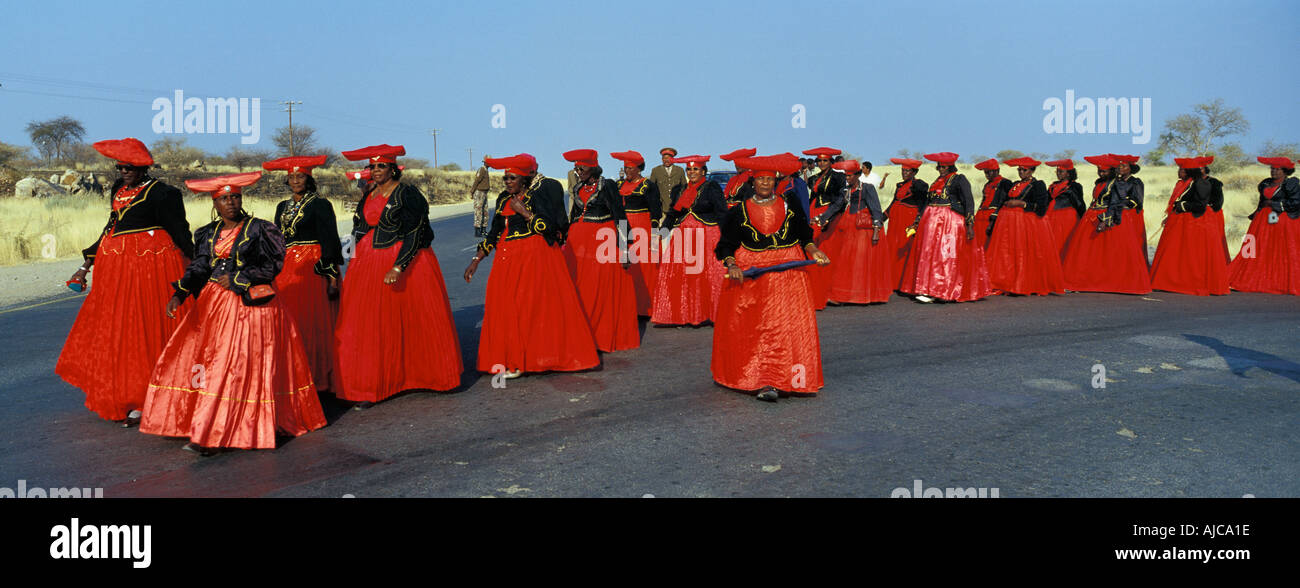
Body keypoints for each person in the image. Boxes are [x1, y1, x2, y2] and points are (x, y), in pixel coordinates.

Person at [141, 172, 326, 454]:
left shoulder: (261, 229)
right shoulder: (206, 233)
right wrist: (180, 293)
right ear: (215, 203)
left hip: (253, 308)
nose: (231, 202)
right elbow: (200, 267)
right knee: (214, 364)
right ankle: (213, 426)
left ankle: (223, 430)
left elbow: (274, 264)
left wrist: (240, 277)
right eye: (224, 198)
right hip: (216, 305)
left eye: (235, 197)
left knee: (239, 366)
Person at [56, 138, 194, 426]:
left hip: (155, 269)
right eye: (120, 167)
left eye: (129, 167)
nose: (124, 171)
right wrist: (86, 264)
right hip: (117, 271)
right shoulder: (118, 190)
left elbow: (180, 231)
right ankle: (131, 395)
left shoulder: (164, 194)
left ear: (143, 167)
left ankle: (154, 397)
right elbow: (110, 228)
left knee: (151, 329)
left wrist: (198, 266)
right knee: (125, 330)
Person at [334, 144, 463, 406]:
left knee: (414, 318)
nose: (377, 170)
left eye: (382, 166)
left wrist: (398, 266)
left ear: (393, 168)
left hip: (406, 261)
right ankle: (372, 384)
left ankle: (428, 376)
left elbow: (416, 232)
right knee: (369, 322)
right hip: (367, 262)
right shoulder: (368, 196)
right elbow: (359, 229)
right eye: (373, 166)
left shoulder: (407, 194)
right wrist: (343, 257)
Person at [464, 154, 600, 374]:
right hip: (507, 260)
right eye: (505, 178)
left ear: (523, 180)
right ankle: (514, 358)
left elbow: (547, 226)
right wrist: (476, 259)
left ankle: (533, 358)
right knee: (506, 310)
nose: (508, 182)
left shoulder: (536, 197)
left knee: (530, 309)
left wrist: (525, 213)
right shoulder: (501, 200)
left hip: (534, 257)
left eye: (512, 178)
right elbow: (494, 233)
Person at [713, 155, 829, 401]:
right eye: (761, 180)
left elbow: (803, 234)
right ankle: (763, 379)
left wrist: (815, 250)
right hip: (753, 276)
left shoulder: (790, 204)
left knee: (786, 328)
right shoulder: (738, 211)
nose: (765, 184)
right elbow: (725, 245)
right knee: (759, 330)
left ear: (775, 181)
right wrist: (732, 264)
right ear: (753, 182)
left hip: (789, 274)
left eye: (769, 179)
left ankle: (791, 378)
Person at [262, 155, 343, 394]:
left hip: (314, 267)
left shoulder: (321, 205)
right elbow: (277, 240)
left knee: (314, 323)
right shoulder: (281, 207)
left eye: (300, 176)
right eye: (292, 177)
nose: (296, 180)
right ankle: (296, 375)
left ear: (309, 179)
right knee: (291, 323)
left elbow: (330, 241)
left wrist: (331, 278)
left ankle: (321, 377)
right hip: (288, 270)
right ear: (287, 181)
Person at [561, 149, 639, 352]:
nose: (578, 171)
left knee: (597, 289)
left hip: (601, 242)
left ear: (593, 167)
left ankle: (599, 336)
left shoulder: (608, 186)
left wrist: (625, 249)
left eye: (582, 167)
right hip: (578, 243)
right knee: (578, 288)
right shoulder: (578, 186)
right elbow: (574, 215)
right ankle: (581, 334)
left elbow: (619, 215)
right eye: (576, 168)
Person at [897, 152, 991, 303]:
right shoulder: (937, 181)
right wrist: (918, 222)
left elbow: (969, 202)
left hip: (950, 224)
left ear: (951, 167)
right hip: (932, 224)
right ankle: (929, 289)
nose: (941, 169)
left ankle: (945, 290)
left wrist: (970, 224)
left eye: (944, 167)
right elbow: (927, 202)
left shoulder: (959, 180)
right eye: (939, 167)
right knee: (930, 256)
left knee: (947, 255)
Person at [1059, 155, 1152, 294]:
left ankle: (1113, 282)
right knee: (1087, 252)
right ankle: (1082, 281)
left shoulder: (1118, 183)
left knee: (1111, 252)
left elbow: (1116, 203)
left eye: (1104, 171)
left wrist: (1106, 219)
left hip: (1109, 217)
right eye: (1099, 170)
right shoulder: (1099, 183)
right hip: (1092, 216)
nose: (1101, 173)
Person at [652, 155, 727, 326]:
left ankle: (710, 314)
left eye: (696, 169)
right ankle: (684, 314)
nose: (692, 172)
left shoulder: (711, 187)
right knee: (684, 276)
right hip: (684, 236)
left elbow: (722, 212)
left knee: (708, 276)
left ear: (703, 171)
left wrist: (727, 238)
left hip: (707, 235)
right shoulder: (680, 189)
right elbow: (673, 214)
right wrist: (661, 234)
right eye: (689, 169)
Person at [984, 157, 1065, 295]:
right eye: (1019, 170)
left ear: (1032, 171)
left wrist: (1021, 204)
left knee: (1023, 253)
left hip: (1026, 225)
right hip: (1009, 225)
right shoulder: (1015, 184)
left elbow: (1041, 207)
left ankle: (1022, 283)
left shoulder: (1037, 185)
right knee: (1008, 253)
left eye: (1024, 170)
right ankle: (1006, 281)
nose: (1021, 172)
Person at [1149, 156, 1228, 295]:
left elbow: (1200, 205)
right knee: (1175, 251)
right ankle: (1169, 280)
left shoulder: (1200, 183)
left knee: (1191, 253)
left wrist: (1182, 206)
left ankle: (1188, 282)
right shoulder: (1182, 184)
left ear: (1190, 171)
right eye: (1179, 169)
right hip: (1180, 221)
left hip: (1194, 223)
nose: (1179, 172)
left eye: (1182, 169)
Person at [820, 159, 892, 304]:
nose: (847, 178)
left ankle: (858, 294)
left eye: (850, 176)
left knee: (859, 262)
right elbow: (837, 206)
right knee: (846, 261)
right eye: (846, 176)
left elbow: (876, 209)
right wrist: (822, 218)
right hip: (848, 226)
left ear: (858, 175)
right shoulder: (846, 190)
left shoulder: (867, 188)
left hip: (863, 230)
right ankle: (845, 294)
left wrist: (876, 230)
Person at [1227, 156, 1300, 295]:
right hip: (1262, 222)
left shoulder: (1292, 184)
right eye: (1272, 169)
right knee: (1254, 249)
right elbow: (1261, 202)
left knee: (1280, 251)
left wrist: (1274, 205)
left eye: (1277, 170)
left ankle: (1278, 282)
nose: (1274, 172)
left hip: (1283, 222)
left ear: (1285, 171)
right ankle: (1248, 278)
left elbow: (1296, 203)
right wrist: (1255, 214)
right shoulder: (1265, 183)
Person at [612, 150, 662, 316]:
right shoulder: (618, 185)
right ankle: (626, 306)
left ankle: (644, 308)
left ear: (639, 169)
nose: (627, 171)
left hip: (642, 228)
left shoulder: (648, 186)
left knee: (643, 267)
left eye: (631, 168)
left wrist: (655, 233)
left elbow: (656, 210)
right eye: (625, 168)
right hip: (622, 226)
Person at [804, 147, 844, 308]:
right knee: (812, 250)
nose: (821, 163)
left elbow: (841, 200)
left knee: (829, 251)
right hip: (814, 214)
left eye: (825, 160)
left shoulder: (838, 177)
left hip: (829, 215)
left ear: (831, 162)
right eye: (819, 160)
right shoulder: (814, 178)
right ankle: (815, 290)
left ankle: (830, 292)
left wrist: (827, 217)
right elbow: (811, 197)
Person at [883, 157, 928, 286]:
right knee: (893, 247)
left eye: (907, 171)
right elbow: (893, 204)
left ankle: (904, 282)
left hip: (908, 221)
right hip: (895, 222)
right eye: (903, 171)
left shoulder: (919, 185)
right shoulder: (899, 186)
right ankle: (892, 281)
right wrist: (881, 218)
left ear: (914, 172)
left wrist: (917, 221)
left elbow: (923, 204)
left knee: (906, 248)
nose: (904, 173)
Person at [1110, 153, 1148, 264]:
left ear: (1131, 168)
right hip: (1119, 214)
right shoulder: (1115, 181)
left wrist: (1121, 205)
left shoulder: (1135, 182)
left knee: (1131, 242)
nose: (1120, 168)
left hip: (1131, 215)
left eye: (1124, 166)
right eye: (1119, 166)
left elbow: (1137, 201)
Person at [1044, 159, 1085, 255]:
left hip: (1067, 219)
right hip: (1051, 217)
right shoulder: (1053, 185)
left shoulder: (1075, 186)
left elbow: (1079, 203)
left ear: (1068, 173)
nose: (1058, 174)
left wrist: (1083, 219)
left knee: (1064, 243)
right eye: (1057, 171)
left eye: (1061, 172)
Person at [973, 158, 1011, 249]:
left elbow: (1003, 201)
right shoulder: (987, 184)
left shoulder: (1005, 183)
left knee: (990, 243)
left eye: (988, 172)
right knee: (979, 242)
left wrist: (996, 216)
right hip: (981, 216)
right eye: (985, 173)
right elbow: (983, 201)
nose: (987, 175)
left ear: (997, 171)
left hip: (993, 217)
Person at [649, 147, 687, 220]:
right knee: (663, 230)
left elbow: (684, 188)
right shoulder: (656, 170)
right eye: (664, 158)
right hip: (662, 209)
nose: (666, 160)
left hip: (677, 209)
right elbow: (651, 189)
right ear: (662, 159)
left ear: (673, 159)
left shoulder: (680, 170)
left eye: (669, 158)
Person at [470, 156, 492, 237]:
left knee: (485, 211)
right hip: (479, 192)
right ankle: (477, 230)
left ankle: (483, 229)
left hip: (484, 193)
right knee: (478, 211)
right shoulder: (482, 169)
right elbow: (477, 180)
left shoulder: (486, 170)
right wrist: (472, 191)